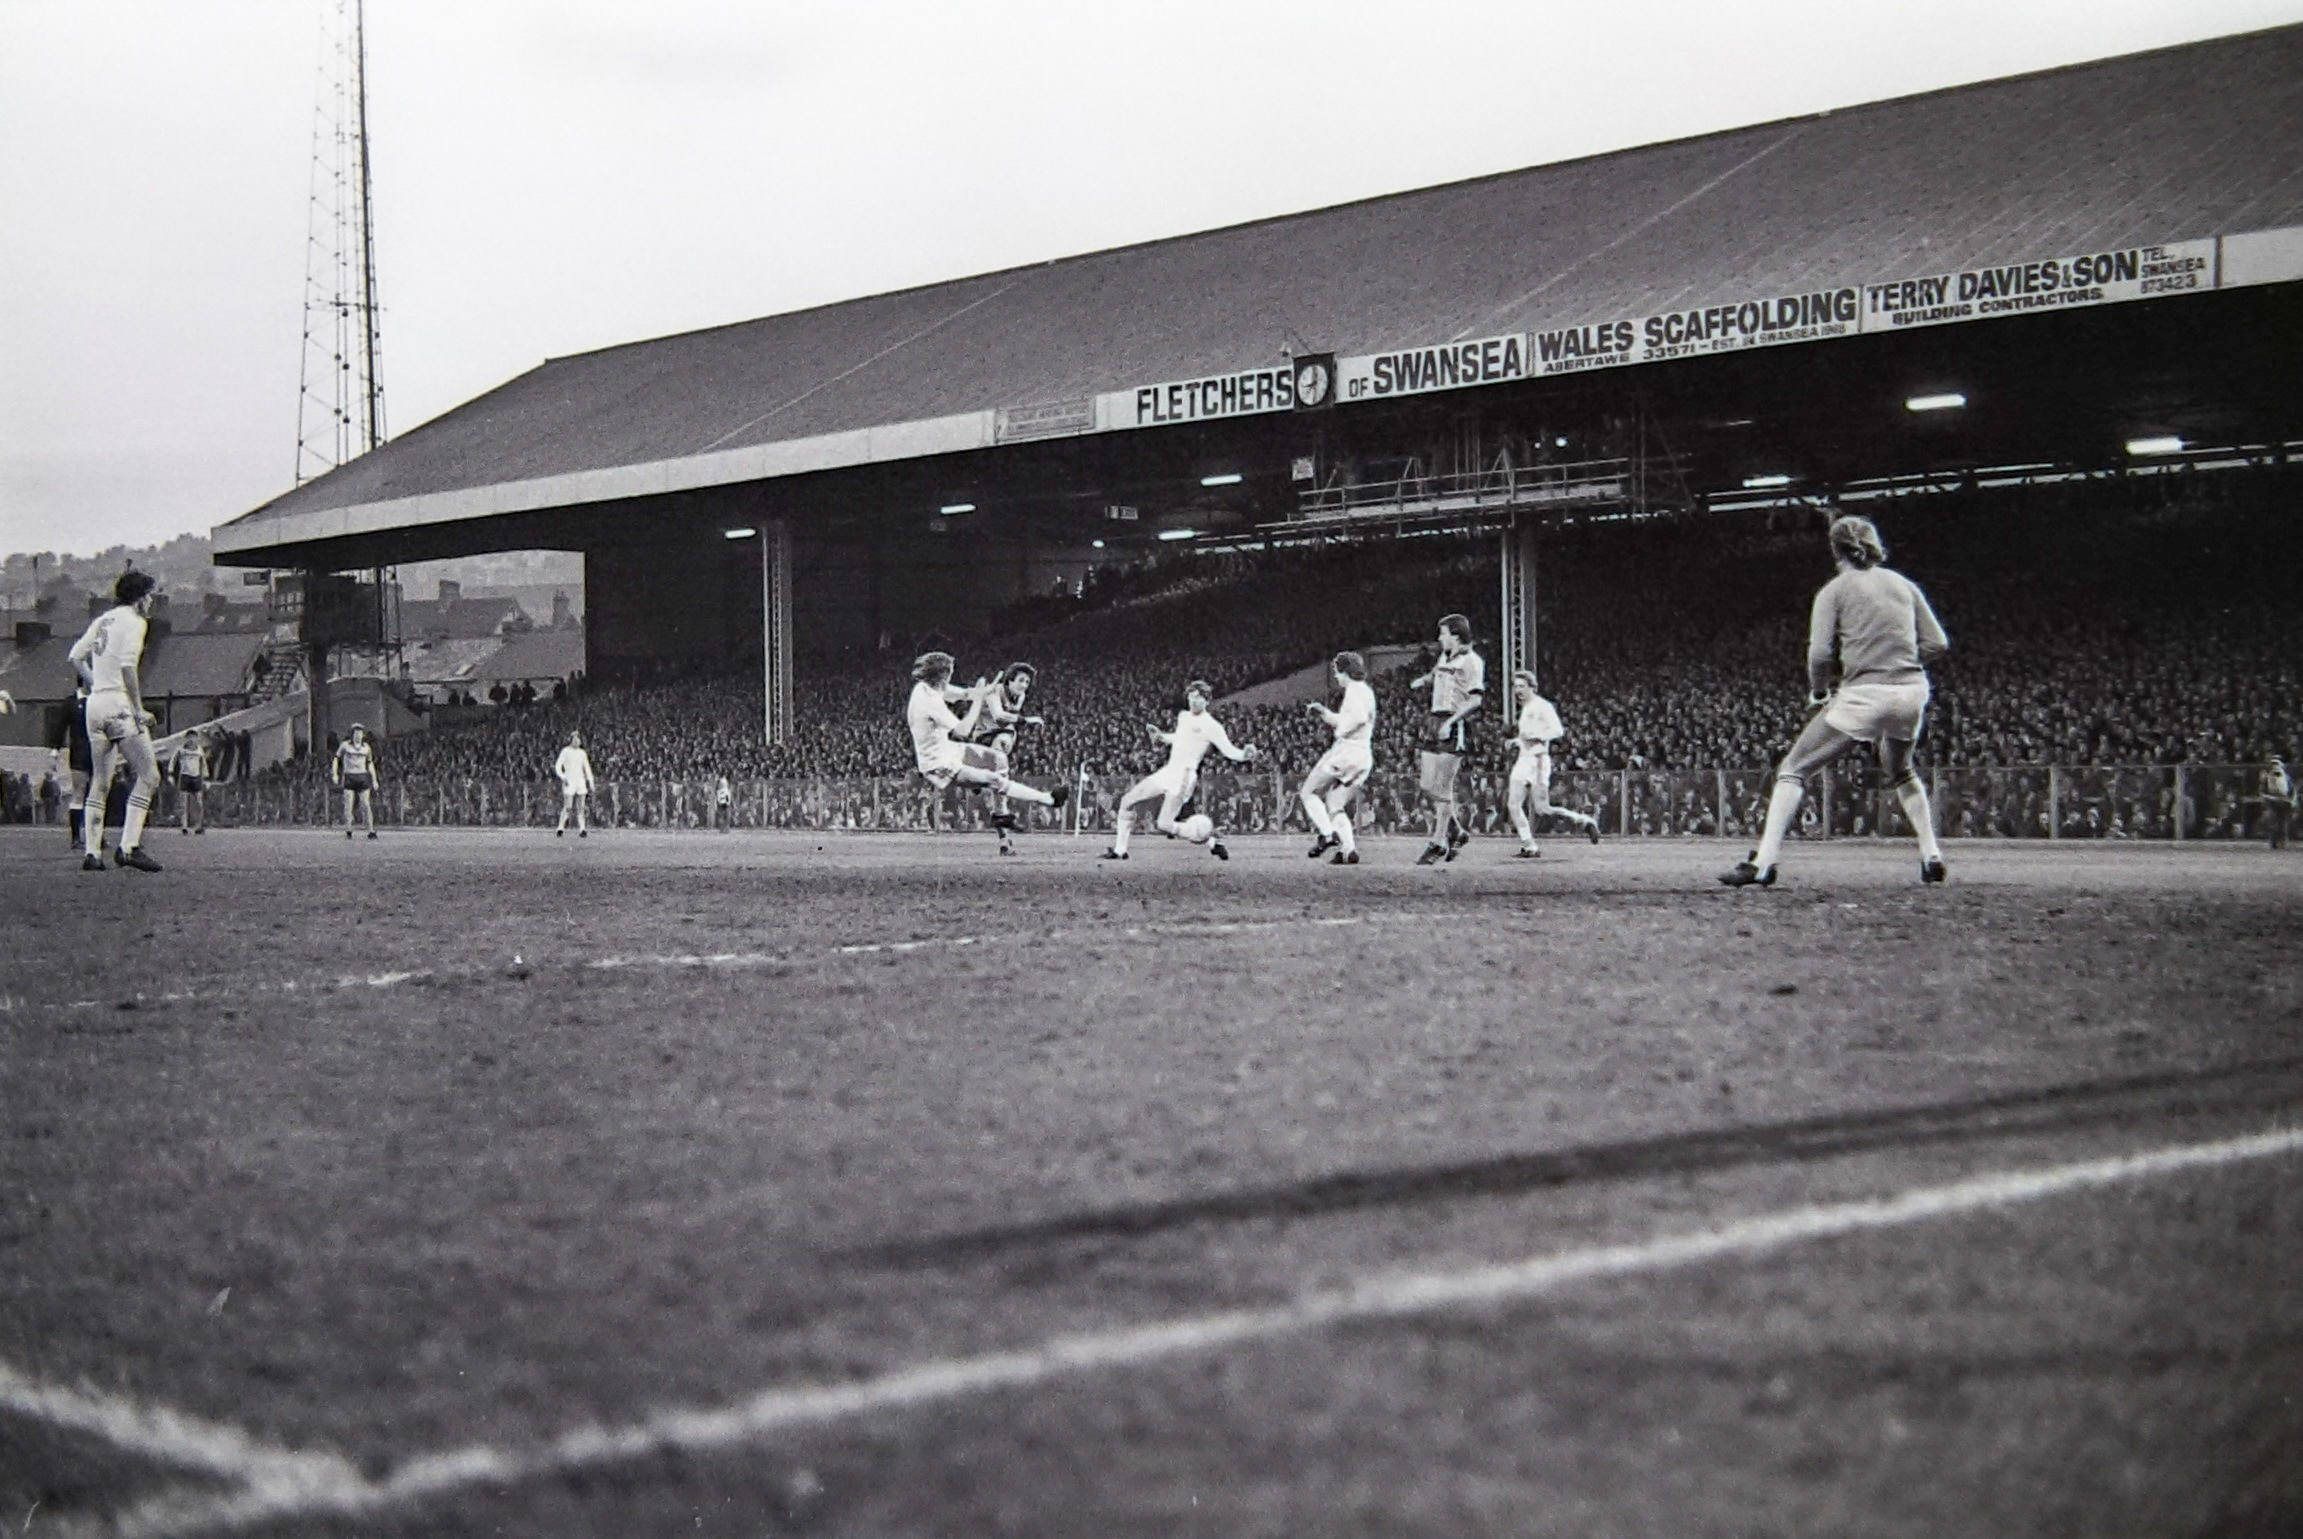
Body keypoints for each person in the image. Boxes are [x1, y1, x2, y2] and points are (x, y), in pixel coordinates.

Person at [1722, 514, 1949, 888]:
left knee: (1793, 768)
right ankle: (1931, 855)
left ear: (1834, 550)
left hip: (1865, 693)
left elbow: (1820, 654)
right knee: (1901, 771)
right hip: (1912, 691)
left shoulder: (1834, 591)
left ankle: (1763, 863)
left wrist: (1819, 691)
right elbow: (1938, 643)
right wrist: (1900, 662)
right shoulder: (1903, 585)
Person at [66, 571, 164, 872]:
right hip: (119, 704)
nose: (151, 601)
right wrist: (137, 709)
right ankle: (129, 846)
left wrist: (97, 684)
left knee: (100, 781)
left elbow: (74, 657)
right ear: (139, 596)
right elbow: (127, 667)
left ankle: (93, 853)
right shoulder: (135, 622)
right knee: (150, 775)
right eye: (149, 594)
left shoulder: (103, 620)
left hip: (95, 705)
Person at [1102, 678, 1259, 861]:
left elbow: (1228, 750)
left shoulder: (1211, 726)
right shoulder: (1183, 717)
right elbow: (1179, 738)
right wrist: (1161, 737)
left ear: (1207, 701)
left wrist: (1244, 755)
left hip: (1184, 776)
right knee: (1127, 801)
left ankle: (1211, 839)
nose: (1194, 701)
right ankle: (1120, 851)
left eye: (1199, 698)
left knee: (1164, 824)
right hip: (1169, 771)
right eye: (1191, 697)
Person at [907, 651, 1068, 829]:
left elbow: (960, 693)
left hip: (947, 748)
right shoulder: (930, 703)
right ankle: (1049, 799)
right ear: (943, 675)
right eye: (951, 673)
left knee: (997, 758)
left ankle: (999, 810)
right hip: (937, 763)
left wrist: (981, 692)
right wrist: (978, 700)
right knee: (994, 780)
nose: (952, 676)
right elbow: (963, 730)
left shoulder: (925, 687)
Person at [1409, 613, 1486, 864]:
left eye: (1442, 633)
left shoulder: (1473, 662)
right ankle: (1457, 831)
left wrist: (1451, 723)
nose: (1439, 638)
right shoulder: (1445, 656)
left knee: (1442, 787)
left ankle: (1438, 842)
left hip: (1454, 722)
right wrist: (1426, 679)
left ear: (1456, 635)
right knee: (1427, 785)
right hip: (1434, 720)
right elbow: (1438, 672)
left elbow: (1475, 699)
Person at [1505, 670, 1602, 856]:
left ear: (1532, 687)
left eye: (1521, 686)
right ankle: (1529, 846)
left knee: (1543, 809)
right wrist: (1517, 742)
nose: (1518, 690)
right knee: (1513, 804)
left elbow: (1557, 731)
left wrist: (1537, 736)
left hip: (1538, 760)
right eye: (1515, 686)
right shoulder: (1525, 709)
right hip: (1523, 760)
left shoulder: (1543, 706)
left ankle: (1585, 821)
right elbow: (1527, 736)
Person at [1301, 650, 1377, 866]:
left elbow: (1358, 719)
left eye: (1337, 671)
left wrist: (1340, 731)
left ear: (1346, 671)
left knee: (1308, 792)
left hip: (1346, 752)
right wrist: (1324, 713)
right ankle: (1348, 850)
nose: (1336, 676)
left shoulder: (1355, 691)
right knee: (1335, 803)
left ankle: (1327, 835)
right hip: (1363, 755)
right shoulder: (1365, 691)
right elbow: (1350, 718)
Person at [969, 662, 1045, 855]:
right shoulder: (994, 691)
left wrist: (1018, 718)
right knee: (995, 794)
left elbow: (1006, 722)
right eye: (1021, 680)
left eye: (1027, 681)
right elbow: (999, 715)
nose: (1024, 685)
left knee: (1001, 746)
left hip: (1002, 735)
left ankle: (993, 775)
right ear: (1009, 680)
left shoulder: (1021, 696)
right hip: (982, 737)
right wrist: (1028, 720)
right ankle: (1004, 840)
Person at [334, 723, 381, 839]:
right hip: (350, 776)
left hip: (362, 777)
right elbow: (336, 759)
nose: (358, 736)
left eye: (360, 733)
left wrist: (374, 779)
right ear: (352, 734)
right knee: (348, 805)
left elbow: (370, 764)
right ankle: (349, 829)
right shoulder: (345, 746)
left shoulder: (366, 748)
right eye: (356, 733)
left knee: (366, 804)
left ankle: (371, 830)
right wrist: (335, 774)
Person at [555, 730, 597, 836]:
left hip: (580, 782)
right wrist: (563, 777)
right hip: (569, 782)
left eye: (578, 739)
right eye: (574, 739)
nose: (577, 741)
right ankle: (560, 827)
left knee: (581, 807)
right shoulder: (565, 751)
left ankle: (582, 829)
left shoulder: (582, 753)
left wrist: (591, 782)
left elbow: (587, 768)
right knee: (568, 806)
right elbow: (558, 766)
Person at [172, 727, 212, 835]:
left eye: (193, 738)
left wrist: (206, 778)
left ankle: (199, 826)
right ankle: (184, 826)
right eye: (189, 738)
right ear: (186, 738)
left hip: (196, 777)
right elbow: (173, 762)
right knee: (184, 803)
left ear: (196, 739)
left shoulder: (199, 750)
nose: (191, 740)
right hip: (185, 776)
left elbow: (203, 764)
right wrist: (170, 774)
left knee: (199, 802)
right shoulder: (180, 750)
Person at [2261, 754, 2293, 850]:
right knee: (2273, 823)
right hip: (2272, 803)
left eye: (2277, 763)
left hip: (2284, 803)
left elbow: (2291, 790)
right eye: (2273, 764)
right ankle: (2273, 842)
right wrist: (2269, 799)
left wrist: (2290, 801)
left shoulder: (2286, 778)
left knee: (2283, 824)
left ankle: (2282, 842)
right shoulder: (2267, 778)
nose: (2275, 766)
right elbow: (2263, 792)